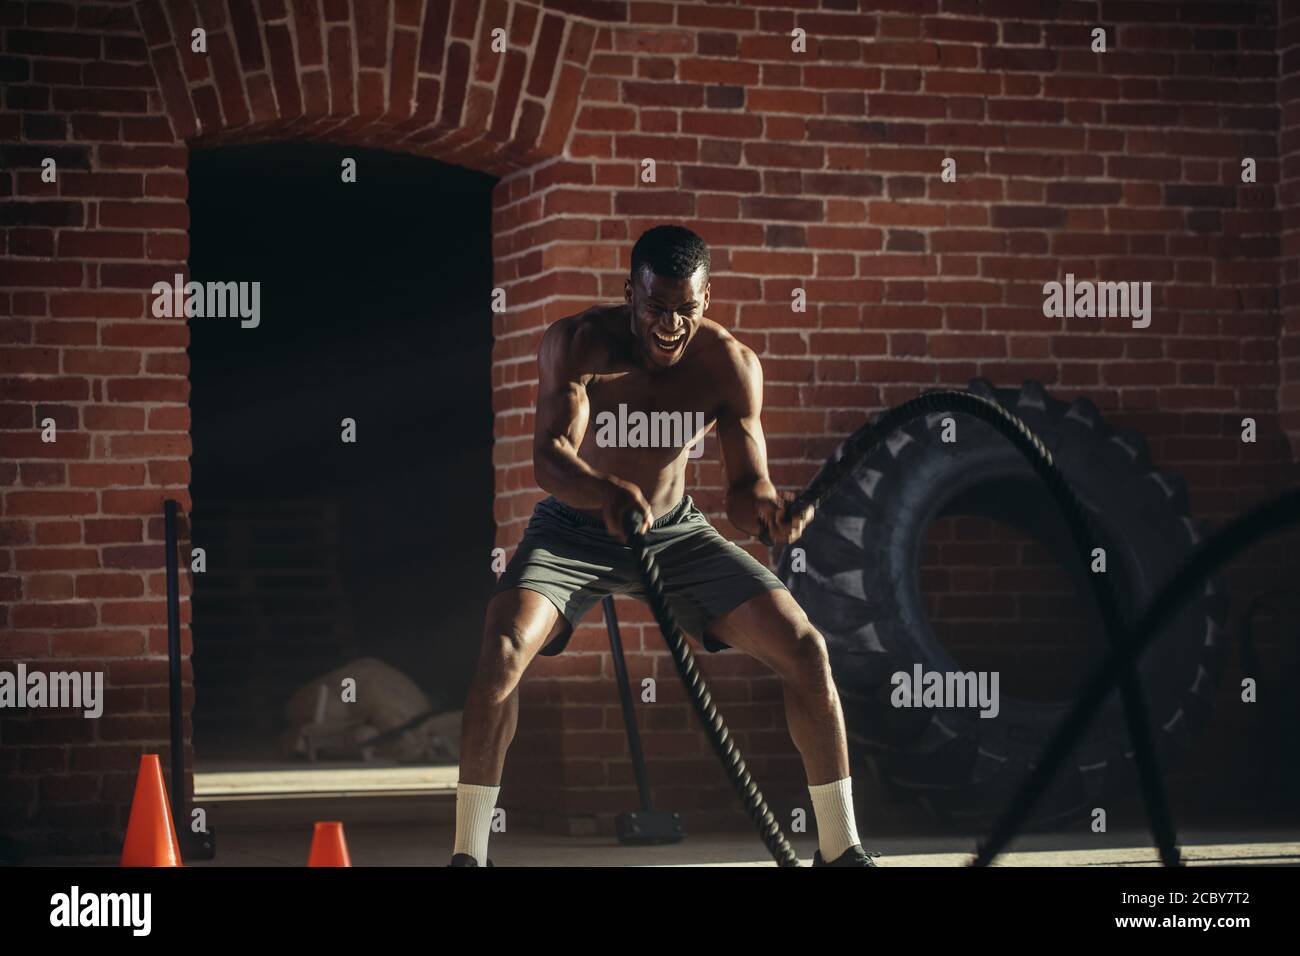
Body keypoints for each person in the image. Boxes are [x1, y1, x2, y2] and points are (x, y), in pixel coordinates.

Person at [450, 224, 879, 867]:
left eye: (687, 308)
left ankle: (841, 850)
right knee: (502, 649)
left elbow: (742, 491)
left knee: (806, 648)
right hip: (573, 530)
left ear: (708, 300)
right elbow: (549, 459)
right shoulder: (578, 343)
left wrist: (766, 512)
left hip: (674, 531)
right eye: (656, 307)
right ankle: (468, 856)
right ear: (631, 295)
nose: (671, 325)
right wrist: (605, 492)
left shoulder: (729, 364)